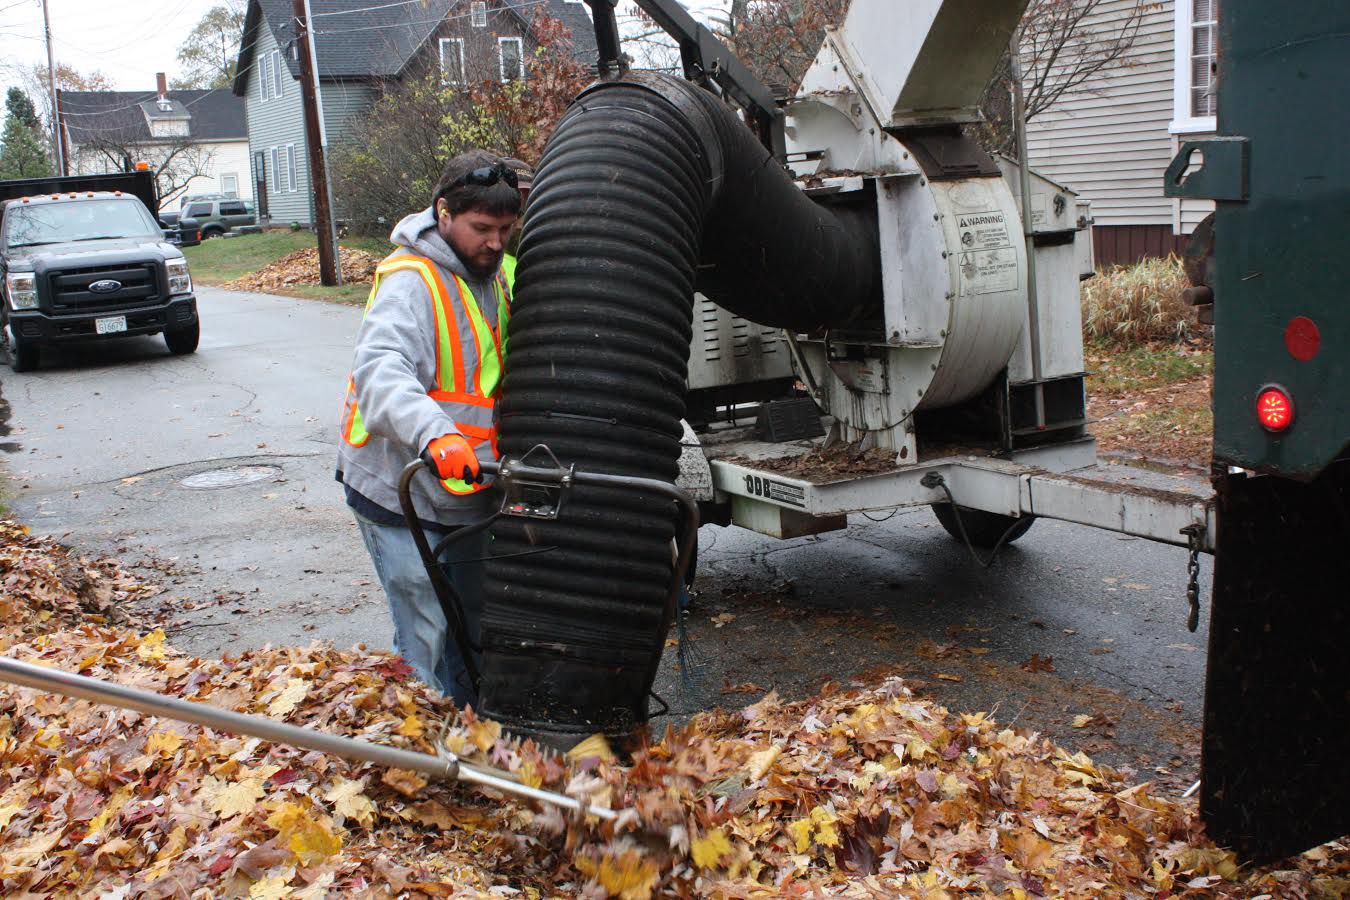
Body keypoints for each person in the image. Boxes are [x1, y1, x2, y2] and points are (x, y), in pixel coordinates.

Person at [336, 150, 521, 708]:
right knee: (424, 622)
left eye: (505, 230)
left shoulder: (499, 275)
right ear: (444, 215)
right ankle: (416, 751)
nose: (494, 242)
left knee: (475, 622)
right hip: (402, 485)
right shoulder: (409, 281)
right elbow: (381, 370)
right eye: (481, 228)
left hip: (470, 488)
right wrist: (435, 434)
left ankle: (472, 731)